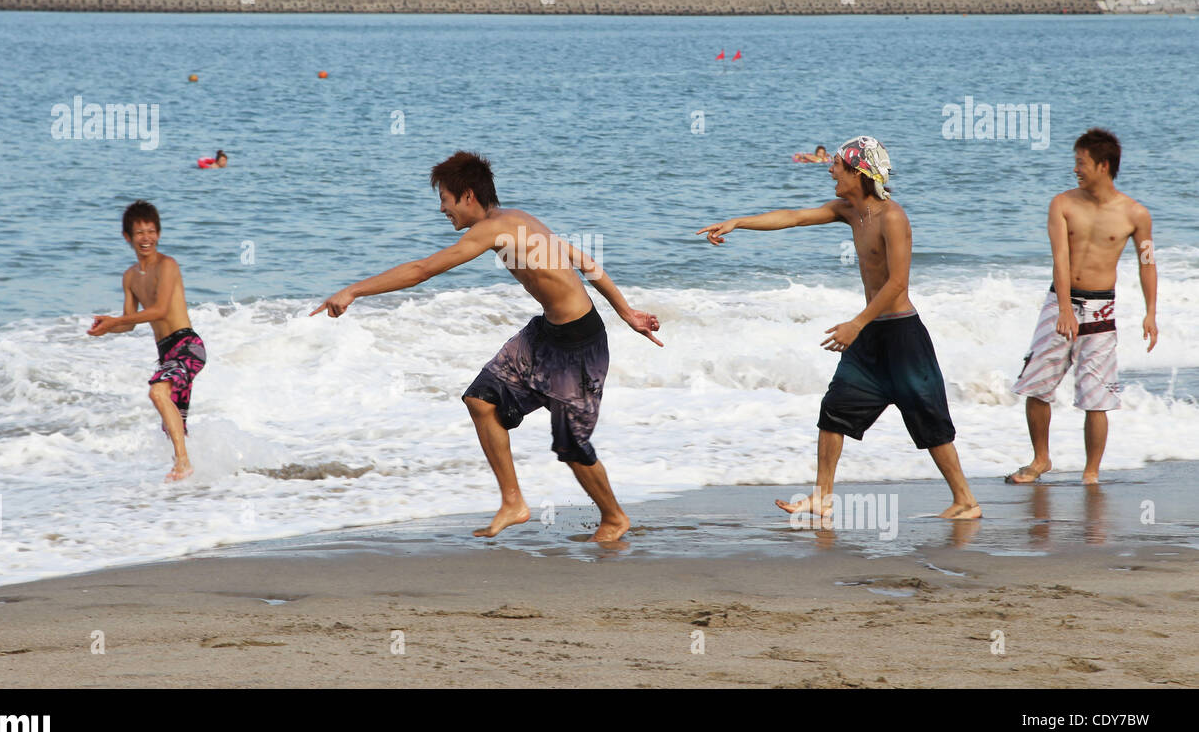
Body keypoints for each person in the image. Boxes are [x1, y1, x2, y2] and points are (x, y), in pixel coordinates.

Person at [311, 151, 662, 541]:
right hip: (546, 333)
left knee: (571, 445)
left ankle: (614, 518)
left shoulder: (495, 229)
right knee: (481, 399)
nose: (442, 209)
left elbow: (422, 270)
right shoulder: (514, 219)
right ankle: (513, 503)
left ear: (467, 196)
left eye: (444, 199)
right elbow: (584, 259)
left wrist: (354, 291)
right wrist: (626, 311)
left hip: (579, 343)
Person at [697, 135, 981, 520]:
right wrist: (738, 222)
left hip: (902, 335)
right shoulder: (850, 210)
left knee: (928, 418)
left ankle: (965, 500)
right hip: (870, 334)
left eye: (838, 166)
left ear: (859, 172)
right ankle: (822, 498)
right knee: (834, 411)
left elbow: (898, 283)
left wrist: (855, 324)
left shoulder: (892, 217)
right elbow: (793, 217)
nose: (830, 170)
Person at [1007, 128, 1157, 485]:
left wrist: (1151, 312)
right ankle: (1041, 459)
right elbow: (1060, 257)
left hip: (1102, 308)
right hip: (1060, 300)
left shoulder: (1135, 214)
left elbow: (1147, 262)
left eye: (1081, 163)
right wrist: (1062, 308)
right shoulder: (1063, 203)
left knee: (1097, 395)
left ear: (1103, 166)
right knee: (1037, 384)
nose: (1076, 169)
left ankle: (1091, 473)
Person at [88, 201, 206, 482]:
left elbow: (161, 310)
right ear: (127, 237)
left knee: (157, 392)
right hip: (167, 354)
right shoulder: (130, 277)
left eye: (152, 231)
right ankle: (197, 483)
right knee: (173, 425)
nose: (147, 238)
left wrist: (115, 321)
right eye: (140, 233)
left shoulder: (168, 265)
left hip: (188, 346)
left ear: (159, 234)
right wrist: (109, 328)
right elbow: (129, 323)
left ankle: (183, 464)